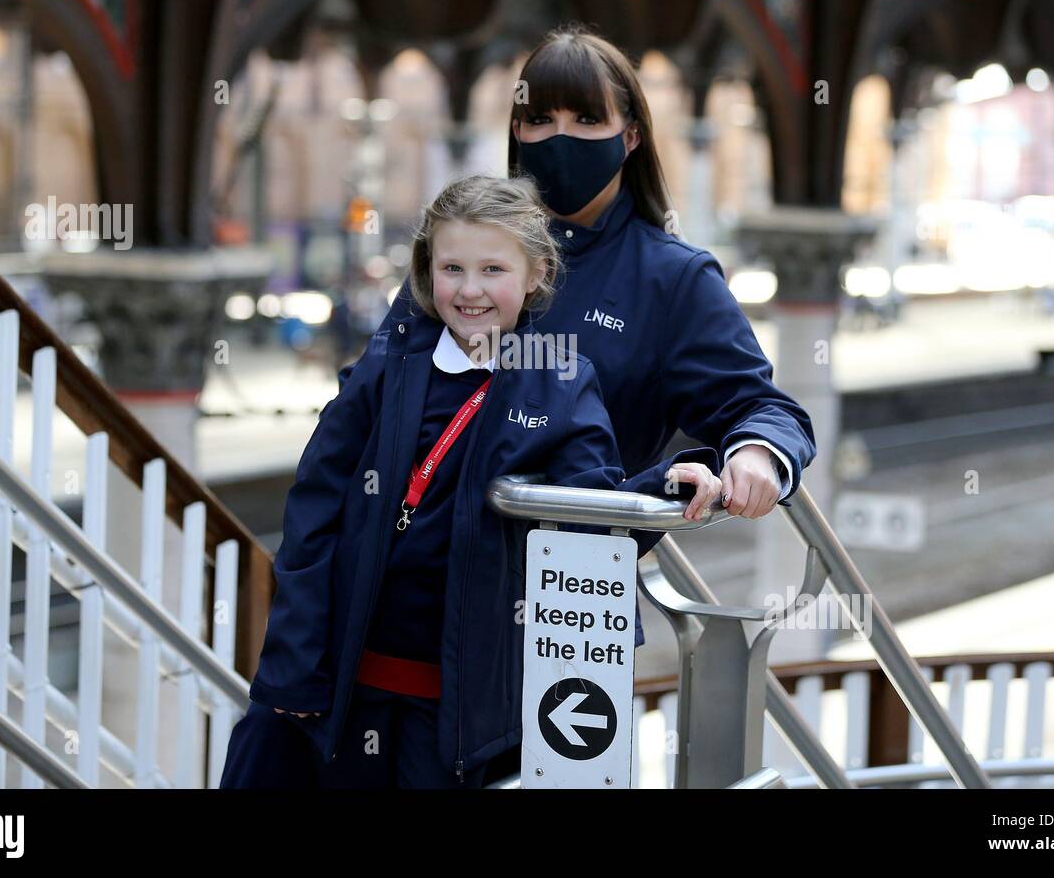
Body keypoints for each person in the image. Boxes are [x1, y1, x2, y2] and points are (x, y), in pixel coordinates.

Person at [220, 175, 722, 789]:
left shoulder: (563, 381)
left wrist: (664, 486)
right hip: (343, 693)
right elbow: (313, 512)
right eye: (452, 268)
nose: (471, 290)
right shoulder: (388, 364)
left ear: (535, 274)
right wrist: (293, 667)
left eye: (493, 269)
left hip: (453, 717)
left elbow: (585, 517)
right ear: (427, 272)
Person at [350, 26, 817, 656]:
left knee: (556, 756)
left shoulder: (673, 278)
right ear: (516, 132)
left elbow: (761, 407)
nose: (559, 135)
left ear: (630, 137)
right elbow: (370, 399)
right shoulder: (463, 253)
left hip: (571, 614)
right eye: (539, 117)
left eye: (587, 117)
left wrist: (757, 454)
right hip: (416, 602)